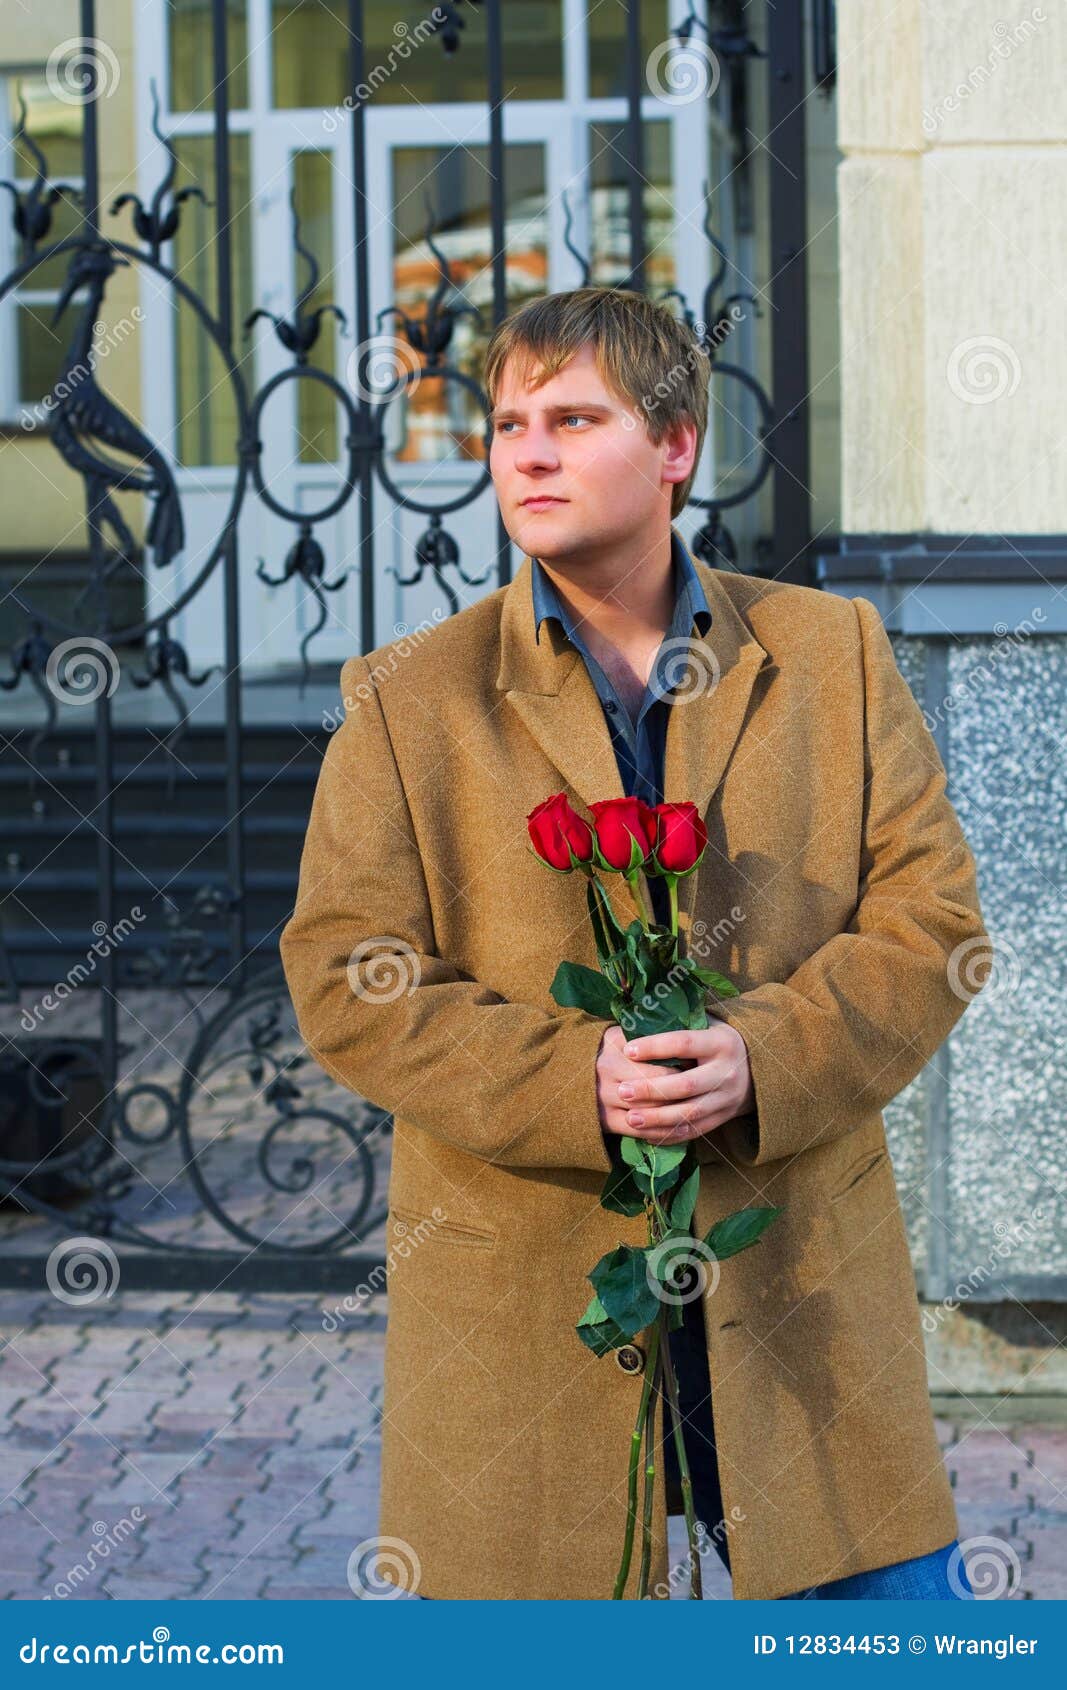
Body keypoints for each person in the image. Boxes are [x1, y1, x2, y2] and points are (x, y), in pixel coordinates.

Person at [279, 287, 988, 1601]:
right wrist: (575, 1080)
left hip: (798, 1292)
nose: (528, 454)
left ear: (674, 444)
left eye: (573, 420)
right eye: (508, 425)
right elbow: (345, 972)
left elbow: (933, 918)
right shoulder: (406, 698)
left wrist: (763, 1056)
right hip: (525, 1302)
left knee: (895, 1644)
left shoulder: (830, 653)